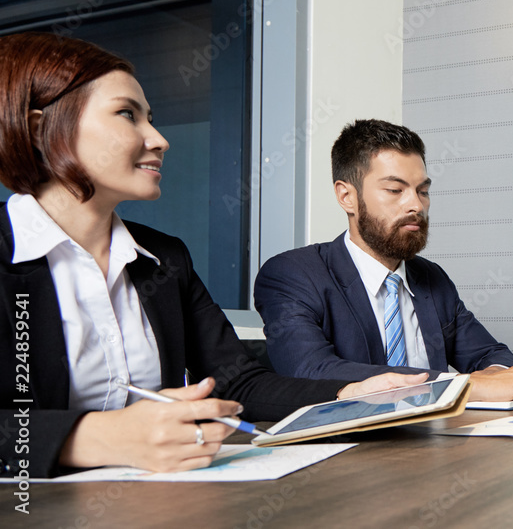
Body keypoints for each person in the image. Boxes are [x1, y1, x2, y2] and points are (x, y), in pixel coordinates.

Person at [0, 33, 426, 479]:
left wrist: (351, 393)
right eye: (127, 114)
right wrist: (101, 436)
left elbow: (239, 382)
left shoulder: (165, 257)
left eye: (152, 118)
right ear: (38, 129)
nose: (159, 139)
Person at [255, 119, 513, 406]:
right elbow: (311, 372)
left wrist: (496, 377)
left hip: (435, 446)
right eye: (395, 190)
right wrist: (465, 386)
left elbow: (491, 356)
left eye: (423, 191)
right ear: (347, 196)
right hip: (348, 451)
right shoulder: (292, 275)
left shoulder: (431, 278)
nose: (416, 205)